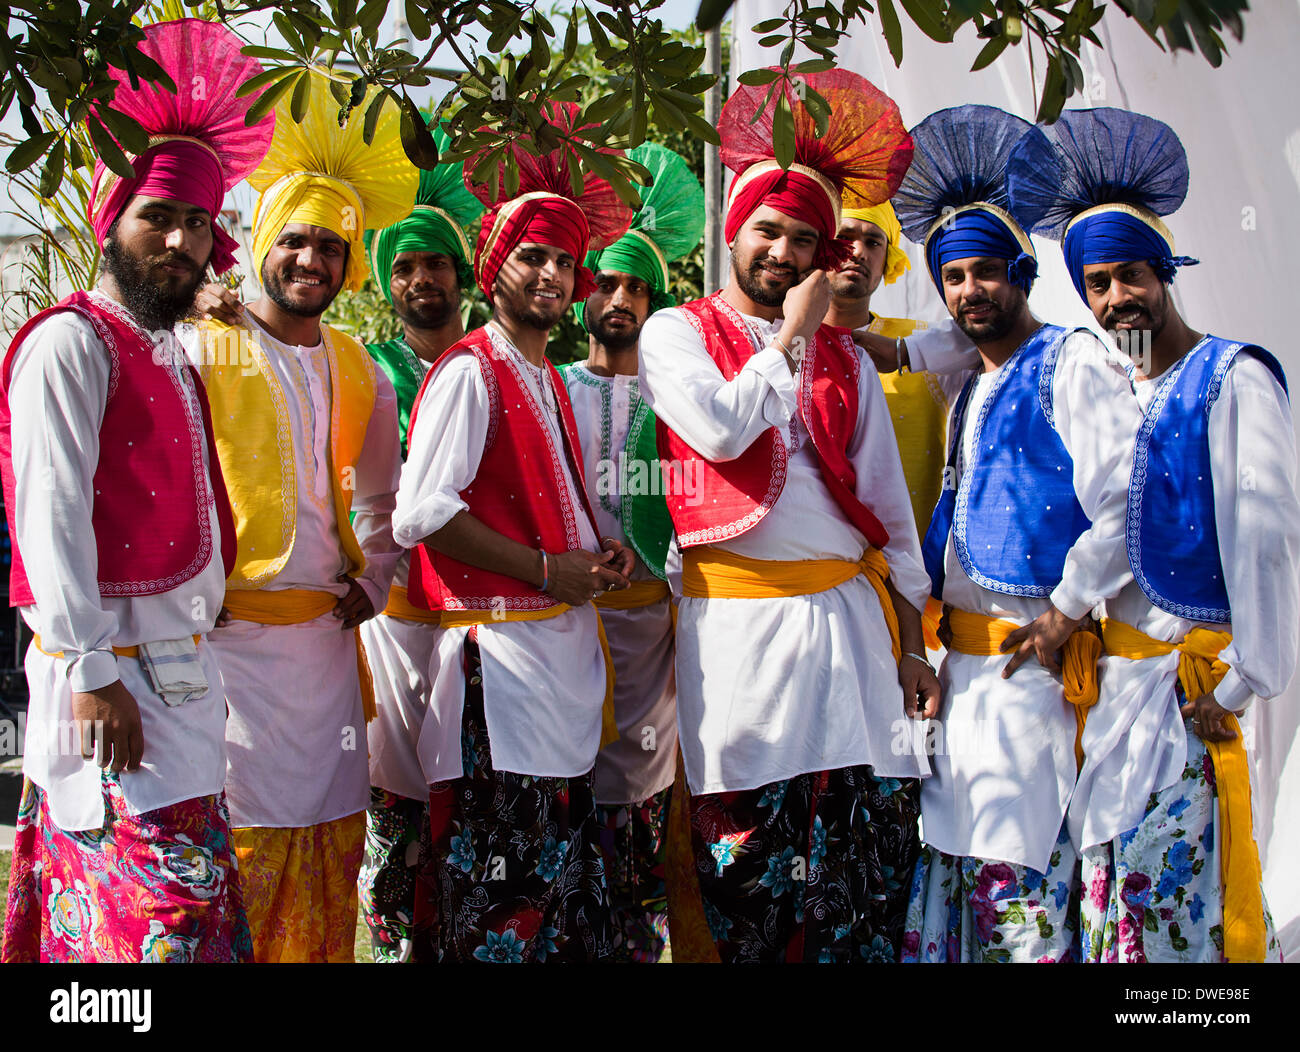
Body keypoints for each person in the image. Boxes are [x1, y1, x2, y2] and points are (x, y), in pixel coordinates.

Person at [638, 68, 939, 964]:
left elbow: (888, 510)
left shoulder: (846, 359)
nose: (782, 251)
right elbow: (725, 430)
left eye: (803, 240)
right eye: (767, 231)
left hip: (855, 641)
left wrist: (916, 641)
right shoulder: (675, 332)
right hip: (740, 648)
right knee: (751, 883)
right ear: (736, 234)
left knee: (866, 885)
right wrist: (787, 339)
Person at [0, 18, 271, 962]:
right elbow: (48, 516)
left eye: (199, 221)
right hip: (111, 682)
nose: (182, 239)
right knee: (158, 936)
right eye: (160, 215)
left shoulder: (162, 348)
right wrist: (91, 671)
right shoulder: (68, 343)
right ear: (109, 219)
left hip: (178, 684)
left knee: (169, 929)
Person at [1009, 106, 1298, 962]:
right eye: (1095, 284)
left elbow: (1268, 535)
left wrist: (1244, 684)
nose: (1114, 299)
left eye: (1130, 275)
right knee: (1118, 921)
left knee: (1177, 922)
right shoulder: (1115, 391)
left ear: (1164, 271)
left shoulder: (1233, 378)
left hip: (1193, 693)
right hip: (1118, 702)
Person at [891, 104, 1142, 963]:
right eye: (953, 276)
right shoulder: (973, 376)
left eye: (986, 272)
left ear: (1023, 272)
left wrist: (1068, 611)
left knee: (1018, 890)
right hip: (962, 676)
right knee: (957, 874)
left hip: (1032, 676)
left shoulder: (1072, 363)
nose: (969, 292)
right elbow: (919, 349)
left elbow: (1125, 499)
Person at [392, 104, 634, 963]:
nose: (552, 275)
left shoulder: (545, 376)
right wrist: (544, 567)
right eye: (532, 256)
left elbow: (552, 503)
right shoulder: (470, 370)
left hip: (554, 666)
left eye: (566, 262)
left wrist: (598, 553)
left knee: (554, 890)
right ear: (494, 265)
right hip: (500, 671)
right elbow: (420, 512)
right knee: (501, 897)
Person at [189, 71, 411, 962]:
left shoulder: (365, 370)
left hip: (324, 648)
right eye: (295, 240)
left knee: (328, 841)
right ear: (262, 245)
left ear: (350, 261)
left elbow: (384, 503)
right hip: (224, 651)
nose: (311, 260)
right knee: (233, 853)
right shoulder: (203, 346)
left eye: (330, 245)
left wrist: (380, 578)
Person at [559, 142, 703, 962]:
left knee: (648, 812)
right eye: (607, 282)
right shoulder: (550, 389)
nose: (619, 299)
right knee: (571, 798)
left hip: (656, 634)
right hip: (570, 627)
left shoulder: (678, 396)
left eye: (636, 287)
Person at [354, 123, 484, 964]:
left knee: (469, 809)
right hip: (393, 625)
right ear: (387, 283)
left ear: (462, 275)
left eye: (435, 262)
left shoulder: (496, 366)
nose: (420, 278)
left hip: (481, 627)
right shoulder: (364, 373)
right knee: (392, 816)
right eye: (404, 266)